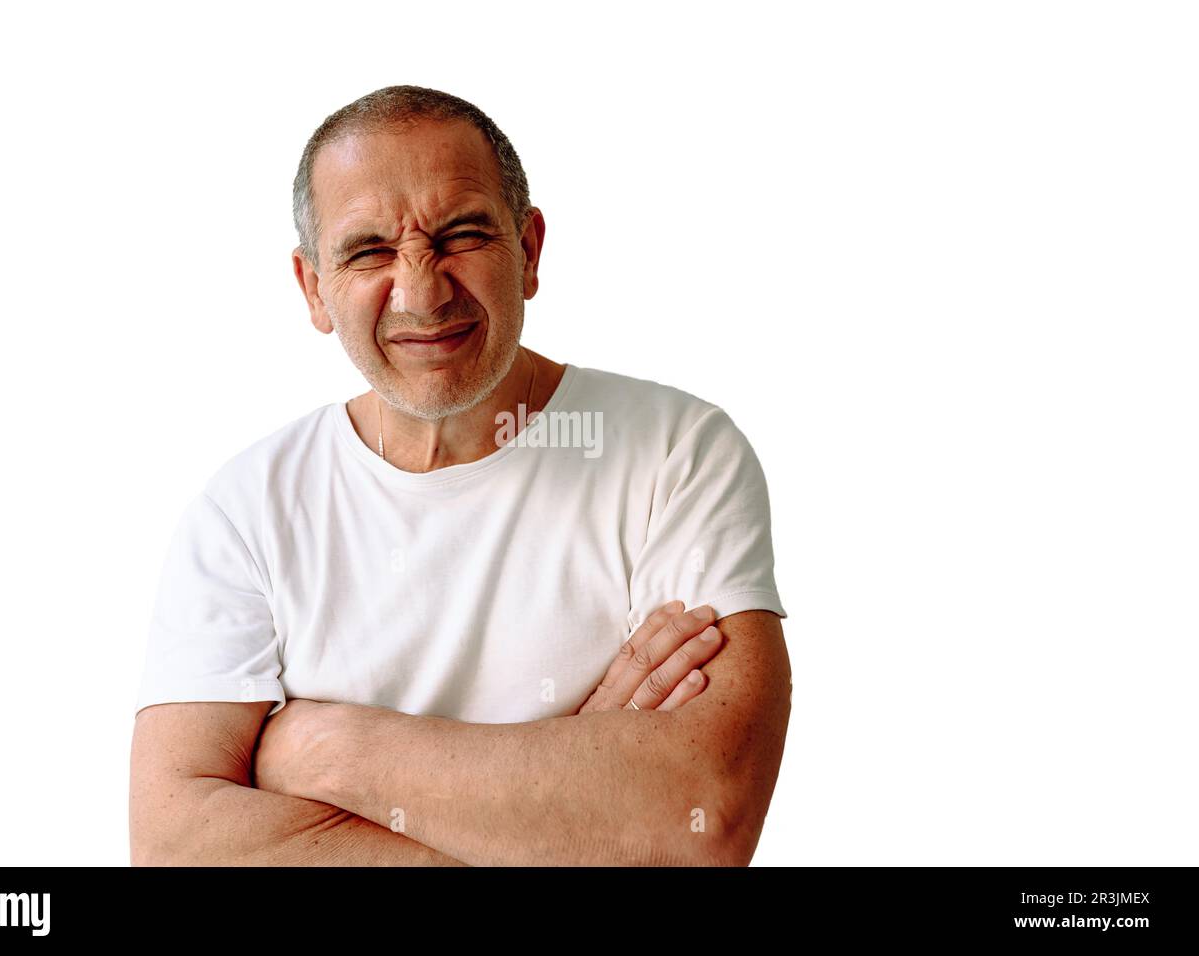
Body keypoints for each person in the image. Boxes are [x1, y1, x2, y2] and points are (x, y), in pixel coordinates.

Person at [129, 85, 792, 867]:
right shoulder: (245, 512)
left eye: (462, 234)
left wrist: (325, 749)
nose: (421, 291)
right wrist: (571, 810)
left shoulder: (678, 454)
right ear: (313, 288)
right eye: (370, 250)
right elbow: (175, 847)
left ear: (531, 249)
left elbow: (702, 816)